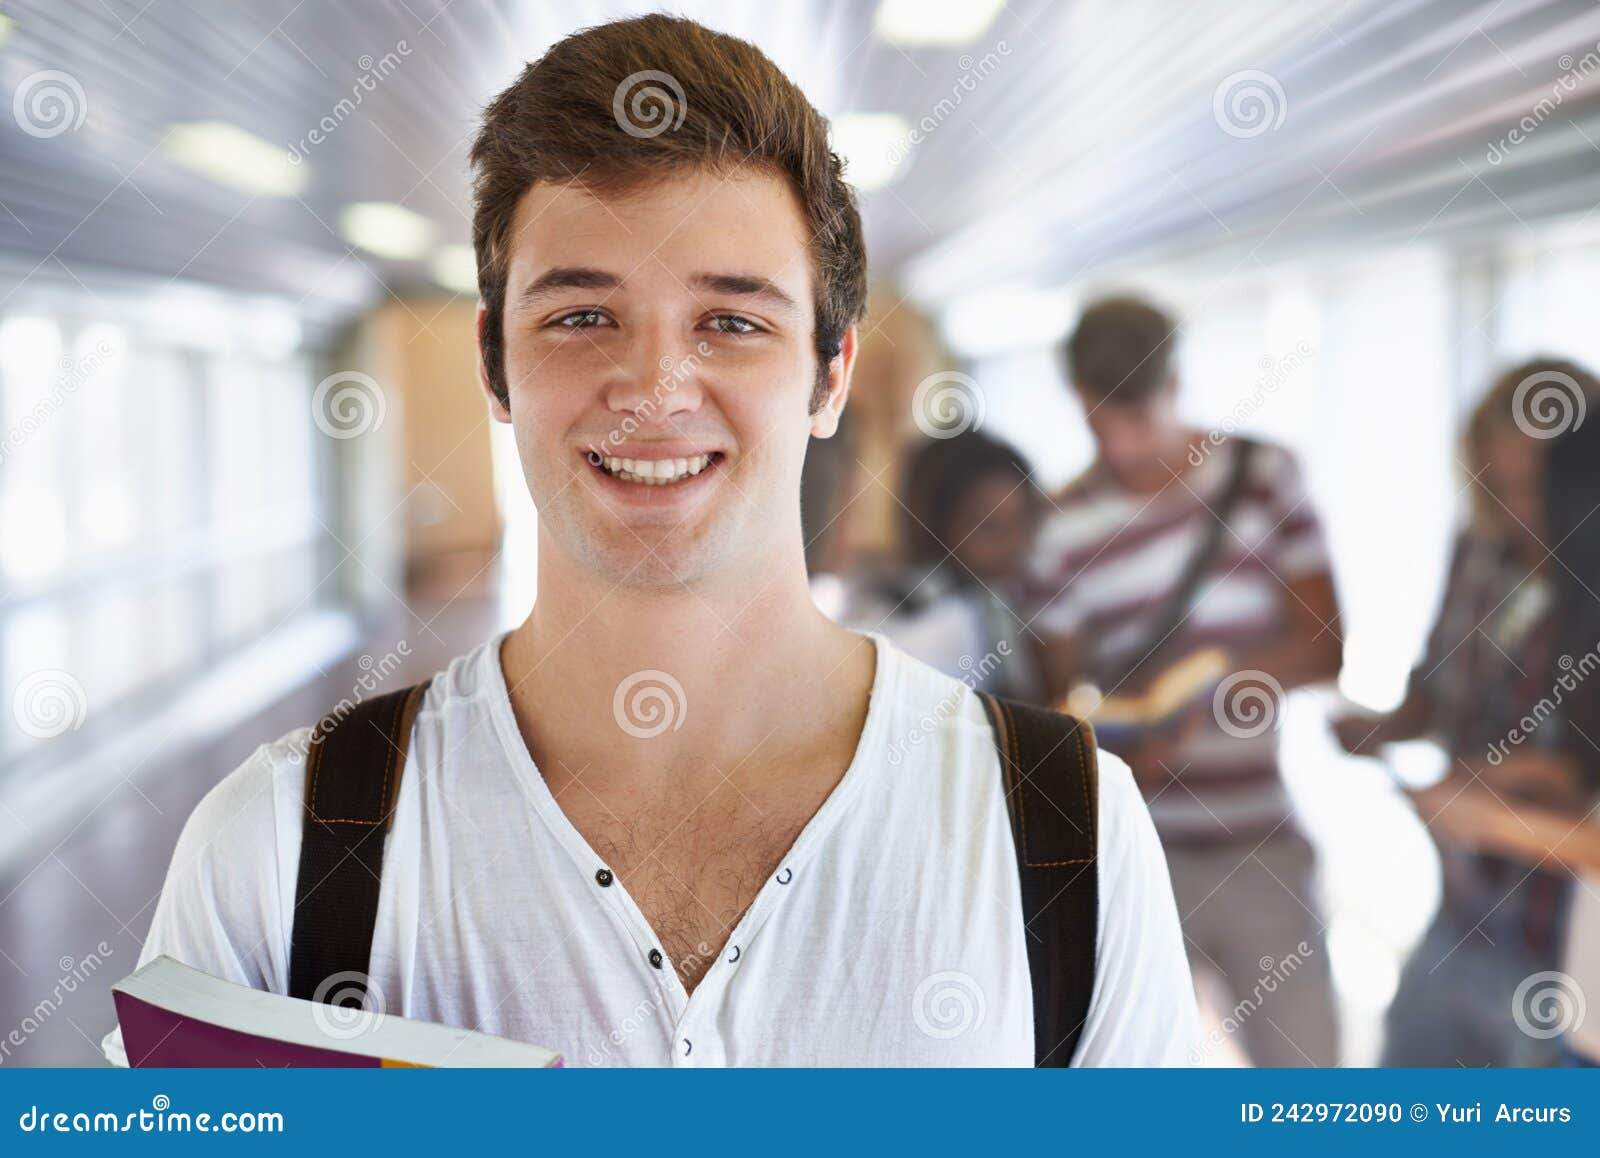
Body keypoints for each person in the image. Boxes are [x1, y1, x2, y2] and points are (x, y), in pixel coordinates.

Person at [103, 16, 1198, 1067]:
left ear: (830, 375)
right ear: (495, 364)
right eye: (582, 317)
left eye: (732, 322)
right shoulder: (284, 846)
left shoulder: (1067, 836)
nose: (655, 388)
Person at [1031, 294, 1343, 1067]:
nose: (1125, 446)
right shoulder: (1059, 528)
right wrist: (1118, 741)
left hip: (1259, 839)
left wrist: (1218, 686)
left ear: (1175, 384)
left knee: (1307, 1077)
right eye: (1102, 423)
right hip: (1135, 851)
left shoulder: (1264, 476)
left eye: (1141, 419)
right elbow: (1059, 707)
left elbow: (1326, 647)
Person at [1333, 358, 1600, 1067]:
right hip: (1465, 909)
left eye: (1535, 487)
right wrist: (1390, 732)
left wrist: (1486, 811)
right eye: (1499, 489)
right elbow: (1441, 686)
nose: (1521, 513)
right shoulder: (1478, 557)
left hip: (1563, 943)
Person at [826, 430, 1046, 701]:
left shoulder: (999, 600)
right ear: (936, 526)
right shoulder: (941, 618)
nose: (1014, 544)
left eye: (1023, 523)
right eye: (989, 527)